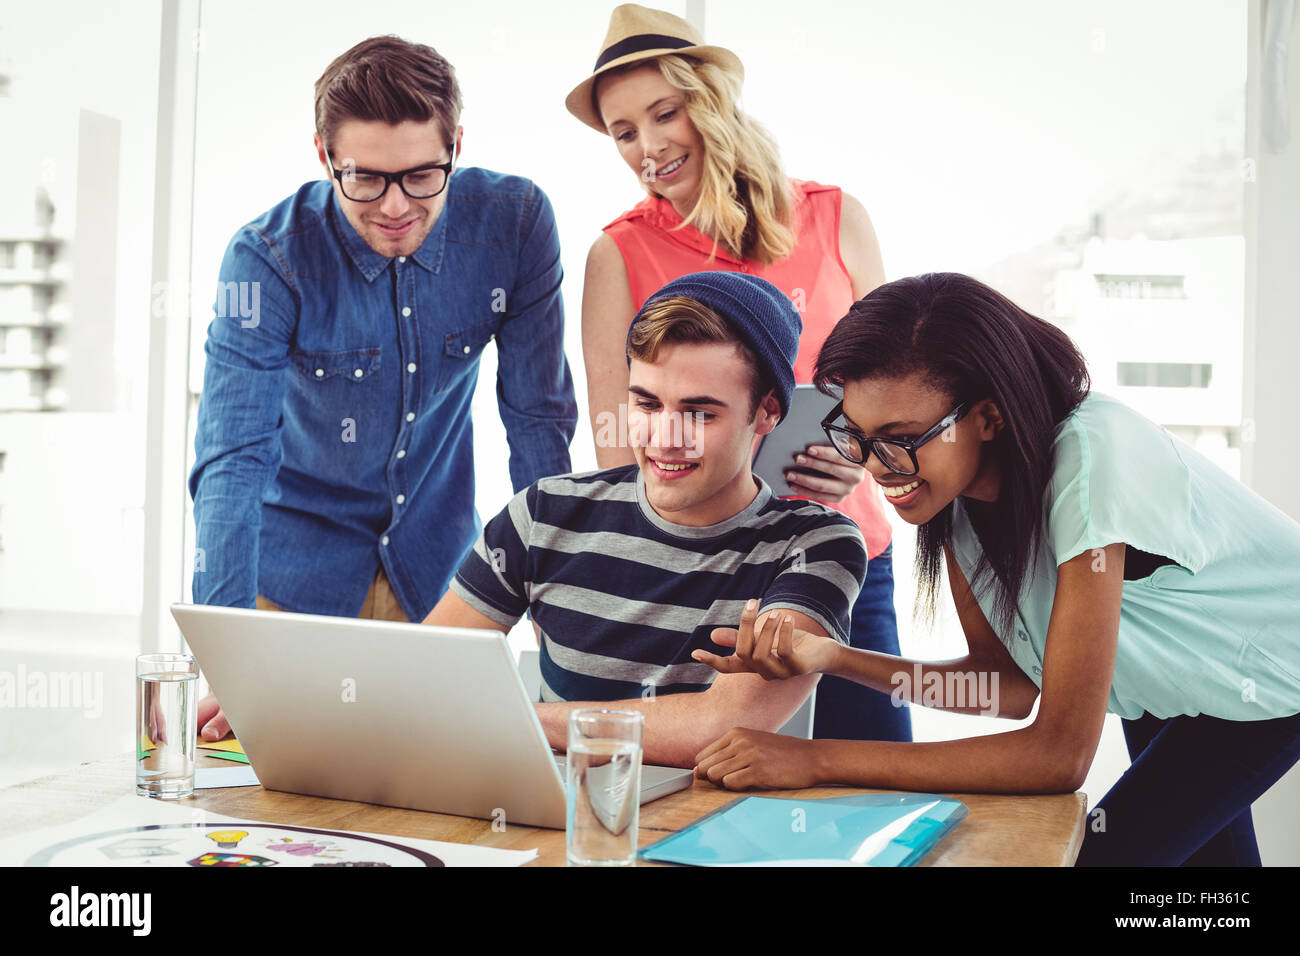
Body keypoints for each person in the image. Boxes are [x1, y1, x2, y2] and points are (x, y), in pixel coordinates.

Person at [691, 272, 1300, 866]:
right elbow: (1004, 688)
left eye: (900, 437)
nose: (876, 468)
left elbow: (1057, 756)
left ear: (988, 416)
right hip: (1178, 684)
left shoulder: (1093, 458)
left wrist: (815, 759)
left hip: (1276, 664)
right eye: (858, 435)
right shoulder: (950, 498)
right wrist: (834, 658)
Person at [191, 36, 577, 742]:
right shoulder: (265, 260)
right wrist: (227, 652)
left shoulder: (516, 226)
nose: (396, 206)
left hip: (441, 590)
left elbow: (537, 424)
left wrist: (559, 606)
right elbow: (232, 457)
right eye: (365, 179)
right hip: (287, 594)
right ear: (323, 157)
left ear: (456, 145)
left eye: (423, 175)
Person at [566, 3, 909, 745]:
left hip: (847, 558)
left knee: (880, 797)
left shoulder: (837, 218)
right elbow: (617, 448)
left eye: (665, 113)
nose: (648, 147)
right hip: (704, 582)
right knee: (718, 809)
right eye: (625, 132)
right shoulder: (616, 256)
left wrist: (854, 454)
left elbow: (899, 395)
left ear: (711, 102)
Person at [423, 271, 869, 769]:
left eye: (700, 413)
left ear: (766, 411)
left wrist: (516, 719)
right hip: (557, 823)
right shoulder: (544, 514)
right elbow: (427, 675)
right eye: (647, 403)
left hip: (706, 834)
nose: (664, 438)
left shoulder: (815, 544)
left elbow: (717, 727)